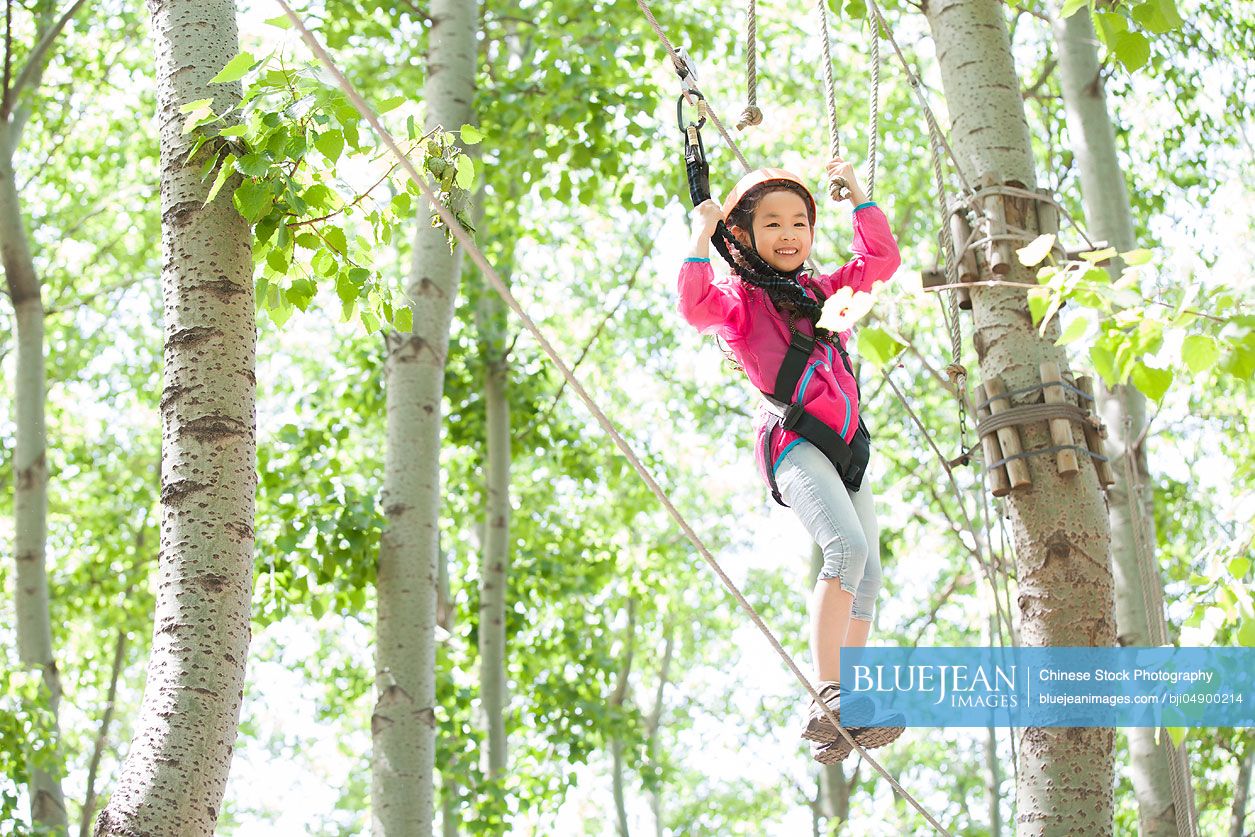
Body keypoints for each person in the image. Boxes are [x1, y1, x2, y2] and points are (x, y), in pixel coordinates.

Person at [676, 159, 905, 764]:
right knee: (846, 551)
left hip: (845, 446)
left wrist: (856, 195)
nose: (788, 234)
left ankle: (849, 701)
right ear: (744, 237)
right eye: (771, 223)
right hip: (794, 440)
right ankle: (829, 691)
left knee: (870, 578)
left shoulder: (824, 293)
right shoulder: (742, 302)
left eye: (799, 222)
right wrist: (702, 235)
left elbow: (880, 263)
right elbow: (695, 307)